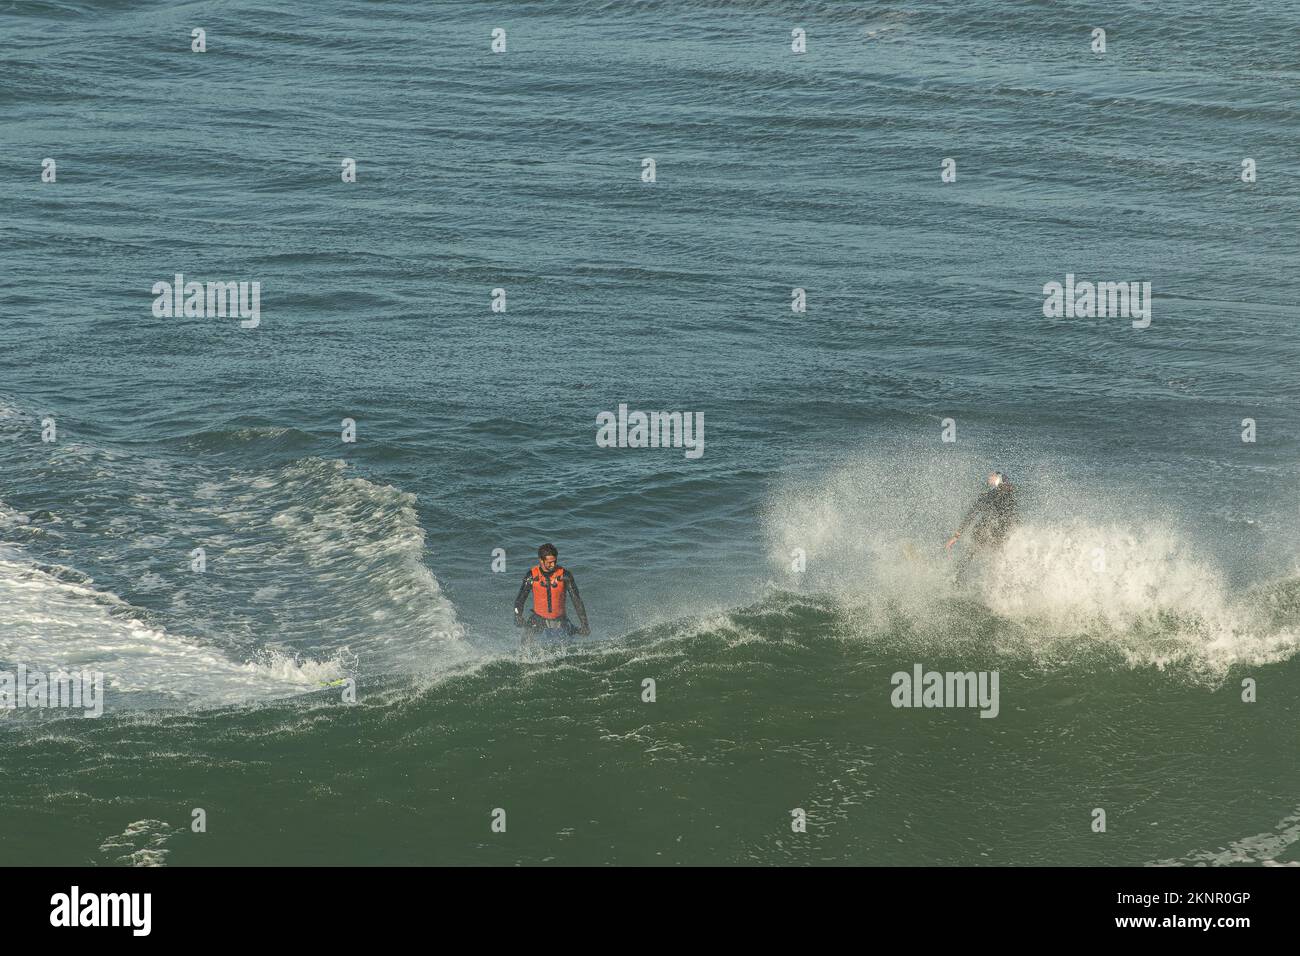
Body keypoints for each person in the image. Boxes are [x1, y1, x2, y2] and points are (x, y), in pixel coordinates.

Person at [513, 543, 591, 645]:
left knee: (569, 643)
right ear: (541, 560)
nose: (553, 565)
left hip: (560, 620)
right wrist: (518, 616)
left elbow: (576, 601)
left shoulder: (565, 576)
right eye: (549, 562)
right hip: (538, 619)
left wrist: (585, 624)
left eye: (555, 562)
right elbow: (520, 599)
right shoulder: (531, 576)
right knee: (525, 640)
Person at [945, 472, 1018, 571]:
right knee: (998, 556)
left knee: (971, 553)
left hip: (987, 530)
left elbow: (972, 513)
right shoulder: (1010, 495)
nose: (989, 478)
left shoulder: (991, 495)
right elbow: (1013, 517)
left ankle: (957, 575)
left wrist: (956, 536)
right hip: (1001, 531)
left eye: (992, 476)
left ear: (998, 479)